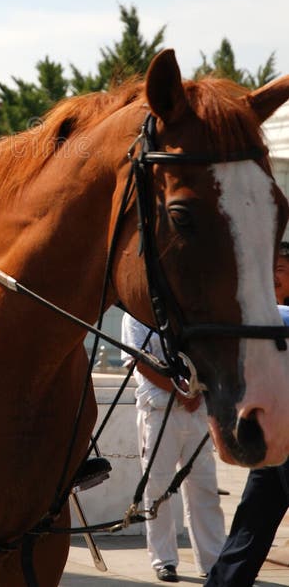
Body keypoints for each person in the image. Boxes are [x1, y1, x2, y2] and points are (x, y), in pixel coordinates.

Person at [204, 241, 289, 587]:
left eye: (281, 271)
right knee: (250, 525)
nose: (273, 278)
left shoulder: (269, 318)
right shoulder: (261, 317)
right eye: (268, 271)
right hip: (270, 442)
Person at [122, 312, 226, 582]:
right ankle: (164, 560)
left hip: (195, 410)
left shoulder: (186, 304)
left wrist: (197, 390)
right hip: (158, 410)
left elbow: (210, 353)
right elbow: (138, 361)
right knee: (158, 489)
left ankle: (213, 560)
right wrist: (177, 389)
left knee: (204, 487)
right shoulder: (135, 315)